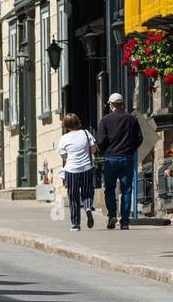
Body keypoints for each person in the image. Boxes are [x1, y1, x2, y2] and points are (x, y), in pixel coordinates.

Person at [97, 92, 142, 230]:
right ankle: (124, 222)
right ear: (122, 104)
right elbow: (139, 138)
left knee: (109, 188)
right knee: (126, 190)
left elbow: (101, 141)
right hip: (126, 157)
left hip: (110, 158)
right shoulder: (131, 119)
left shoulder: (105, 120)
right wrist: (130, 149)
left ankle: (112, 215)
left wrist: (104, 151)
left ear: (111, 105)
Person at [56, 113, 97, 231]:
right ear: (78, 122)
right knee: (87, 192)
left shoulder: (64, 138)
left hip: (71, 170)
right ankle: (88, 208)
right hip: (86, 168)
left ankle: (75, 224)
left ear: (66, 125)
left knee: (73, 196)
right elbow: (93, 149)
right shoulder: (85, 133)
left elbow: (64, 156)